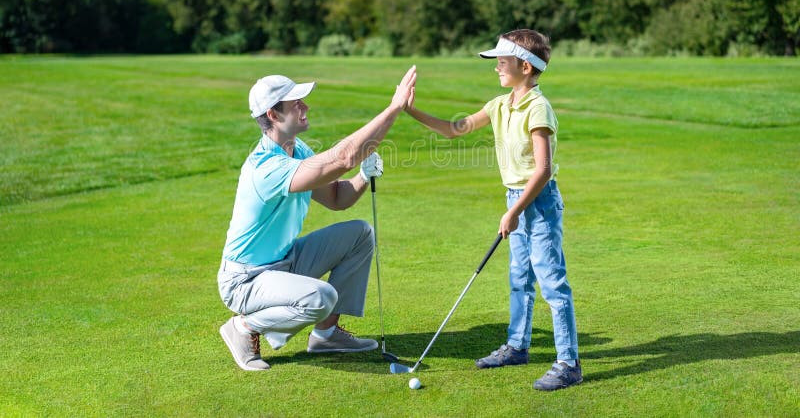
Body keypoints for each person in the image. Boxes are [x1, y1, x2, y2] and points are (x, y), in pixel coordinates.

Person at [404, 30, 581, 391]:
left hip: (539, 202)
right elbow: (454, 129)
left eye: (502, 61)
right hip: (515, 199)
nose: (496, 67)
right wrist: (408, 110)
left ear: (525, 67)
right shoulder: (499, 105)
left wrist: (515, 211)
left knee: (551, 282)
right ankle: (517, 347)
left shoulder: (538, 108)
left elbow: (543, 170)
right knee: (519, 278)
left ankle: (569, 363)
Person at [218, 66, 416, 371]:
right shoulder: (265, 168)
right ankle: (244, 327)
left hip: (285, 261)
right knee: (321, 297)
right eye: (296, 104)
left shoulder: (297, 151)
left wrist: (363, 177)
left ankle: (326, 334)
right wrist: (393, 108)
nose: (305, 107)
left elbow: (337, 198)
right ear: (273, 115)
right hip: (246, 280)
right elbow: (343, 158)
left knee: (360, 234)